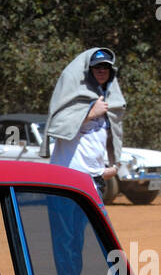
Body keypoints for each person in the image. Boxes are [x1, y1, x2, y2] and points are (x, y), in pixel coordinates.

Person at [44, 47, 124, 199]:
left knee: (89, 224)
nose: (102, 71)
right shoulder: (72, 99)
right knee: (63, 223)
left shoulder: (111, 104)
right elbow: (56, 126)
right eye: (97, 67)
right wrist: (90, 114)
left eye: (105, 67)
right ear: (89, 70)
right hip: (66, 178)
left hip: (95, 180)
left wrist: (112, 167)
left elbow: (110, 140)